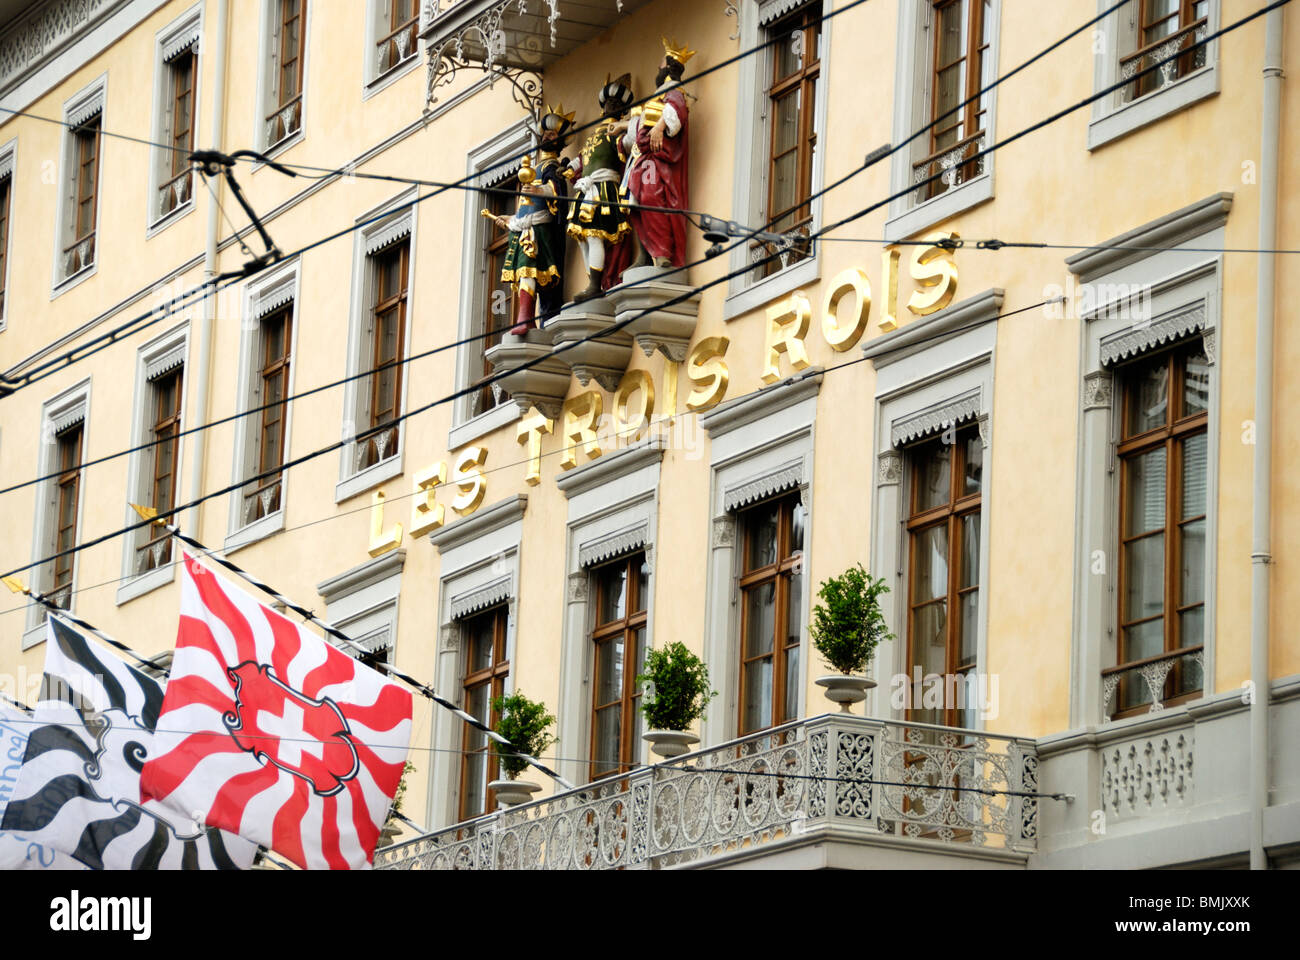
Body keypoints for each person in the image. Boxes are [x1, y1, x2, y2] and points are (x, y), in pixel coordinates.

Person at [623, 38, 694, 270]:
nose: (657, 69)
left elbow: (676, 111)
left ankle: (662, 253)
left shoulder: (672, 91)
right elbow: (640, 128)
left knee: (653, 199)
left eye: (660, 65)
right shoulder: (657, 96)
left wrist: (659, 126)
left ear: (668, 68)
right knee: (638, 201)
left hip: (658, 160)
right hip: (645, 159)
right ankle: (645, 256)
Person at [567, 74, 635, 302]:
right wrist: (568, 169)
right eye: (608, 104)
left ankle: (595, 285)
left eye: (616, 104)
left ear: (623, 110)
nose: (611, 107)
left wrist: (631, 126)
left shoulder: (621, 133)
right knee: (582, 238)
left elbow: (632, 144)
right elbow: (582, 157)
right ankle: (592, 281)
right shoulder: (594, 136)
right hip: (586, 190)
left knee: (596, 236)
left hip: (605, 189)